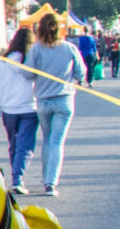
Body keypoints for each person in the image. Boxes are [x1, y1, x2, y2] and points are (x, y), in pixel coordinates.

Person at [25, 13, 82, 195]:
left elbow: (27, 73)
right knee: (57, 141)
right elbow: (81, 72)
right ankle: (51, 183)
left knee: (47, 140)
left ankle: (46, 180)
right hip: (64, 99)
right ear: (60, 28)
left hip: (43, 101)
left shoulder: (36, 49)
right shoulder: (69, 48)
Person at [0, 25, 40, 191]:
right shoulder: (33, 62)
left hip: (8, 109)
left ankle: (16, 176)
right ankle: (18, 178)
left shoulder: (4, 62)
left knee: (14, 144)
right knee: (25, 145)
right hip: (29, 107)